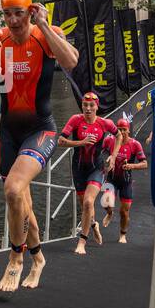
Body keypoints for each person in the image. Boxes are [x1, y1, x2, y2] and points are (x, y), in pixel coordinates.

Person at [0, 0, 79, 291]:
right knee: (21, 201)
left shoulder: (45, 34)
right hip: (8, 131)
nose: (13, 20)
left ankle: (16, 257)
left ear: (30, 11)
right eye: (7, 13)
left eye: (19, 13)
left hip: (41, 128)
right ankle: (38, 257)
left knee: (13, 191)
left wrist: (43, 25)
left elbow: (71, 62)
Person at [59, 91, 117, 255]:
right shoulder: (75, 120)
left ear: (97, 106)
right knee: (83, 203)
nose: (88, 108)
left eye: (91, 105)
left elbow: (118, 136)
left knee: (87, 202)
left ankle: (82, 242)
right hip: (78, 168)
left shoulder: (104, 123)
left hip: (96, 168)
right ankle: (93, 225)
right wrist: (81, 142)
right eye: (85, 105)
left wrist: (113, 156)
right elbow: (61, 141)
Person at [101, 115, 148, 244]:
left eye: (123, 129)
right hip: (111, 178)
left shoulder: (135, 144)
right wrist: (107, 159)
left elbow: (144, 163)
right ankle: (110, 214)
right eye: (119, 129)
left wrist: (131, 166)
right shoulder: (109, 140)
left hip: (125, 181)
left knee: (124, 212)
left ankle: (123, 234)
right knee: (106, 202)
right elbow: (101, 152)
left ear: (128, 131)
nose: (121, 132)